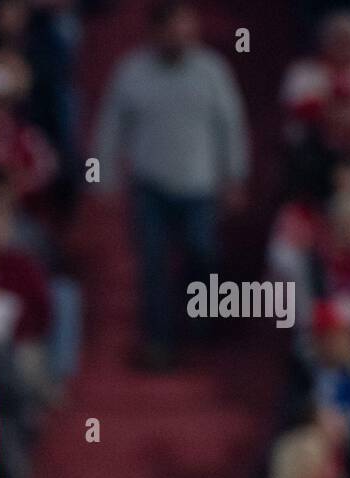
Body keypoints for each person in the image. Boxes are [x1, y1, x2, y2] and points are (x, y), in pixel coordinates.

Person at [92, 0, 249, 370]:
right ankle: (158, 343)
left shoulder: (212, 70)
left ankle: (199, 329)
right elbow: (111, 126)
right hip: (150, 185)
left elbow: (232, 125)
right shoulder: (131, 71)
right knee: (152, 266)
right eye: (175, 31)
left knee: (202, 255)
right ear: (156, 33)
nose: (183, 38)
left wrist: (236, 176)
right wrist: (103, 178)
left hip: (201, 185)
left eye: (188, 31)